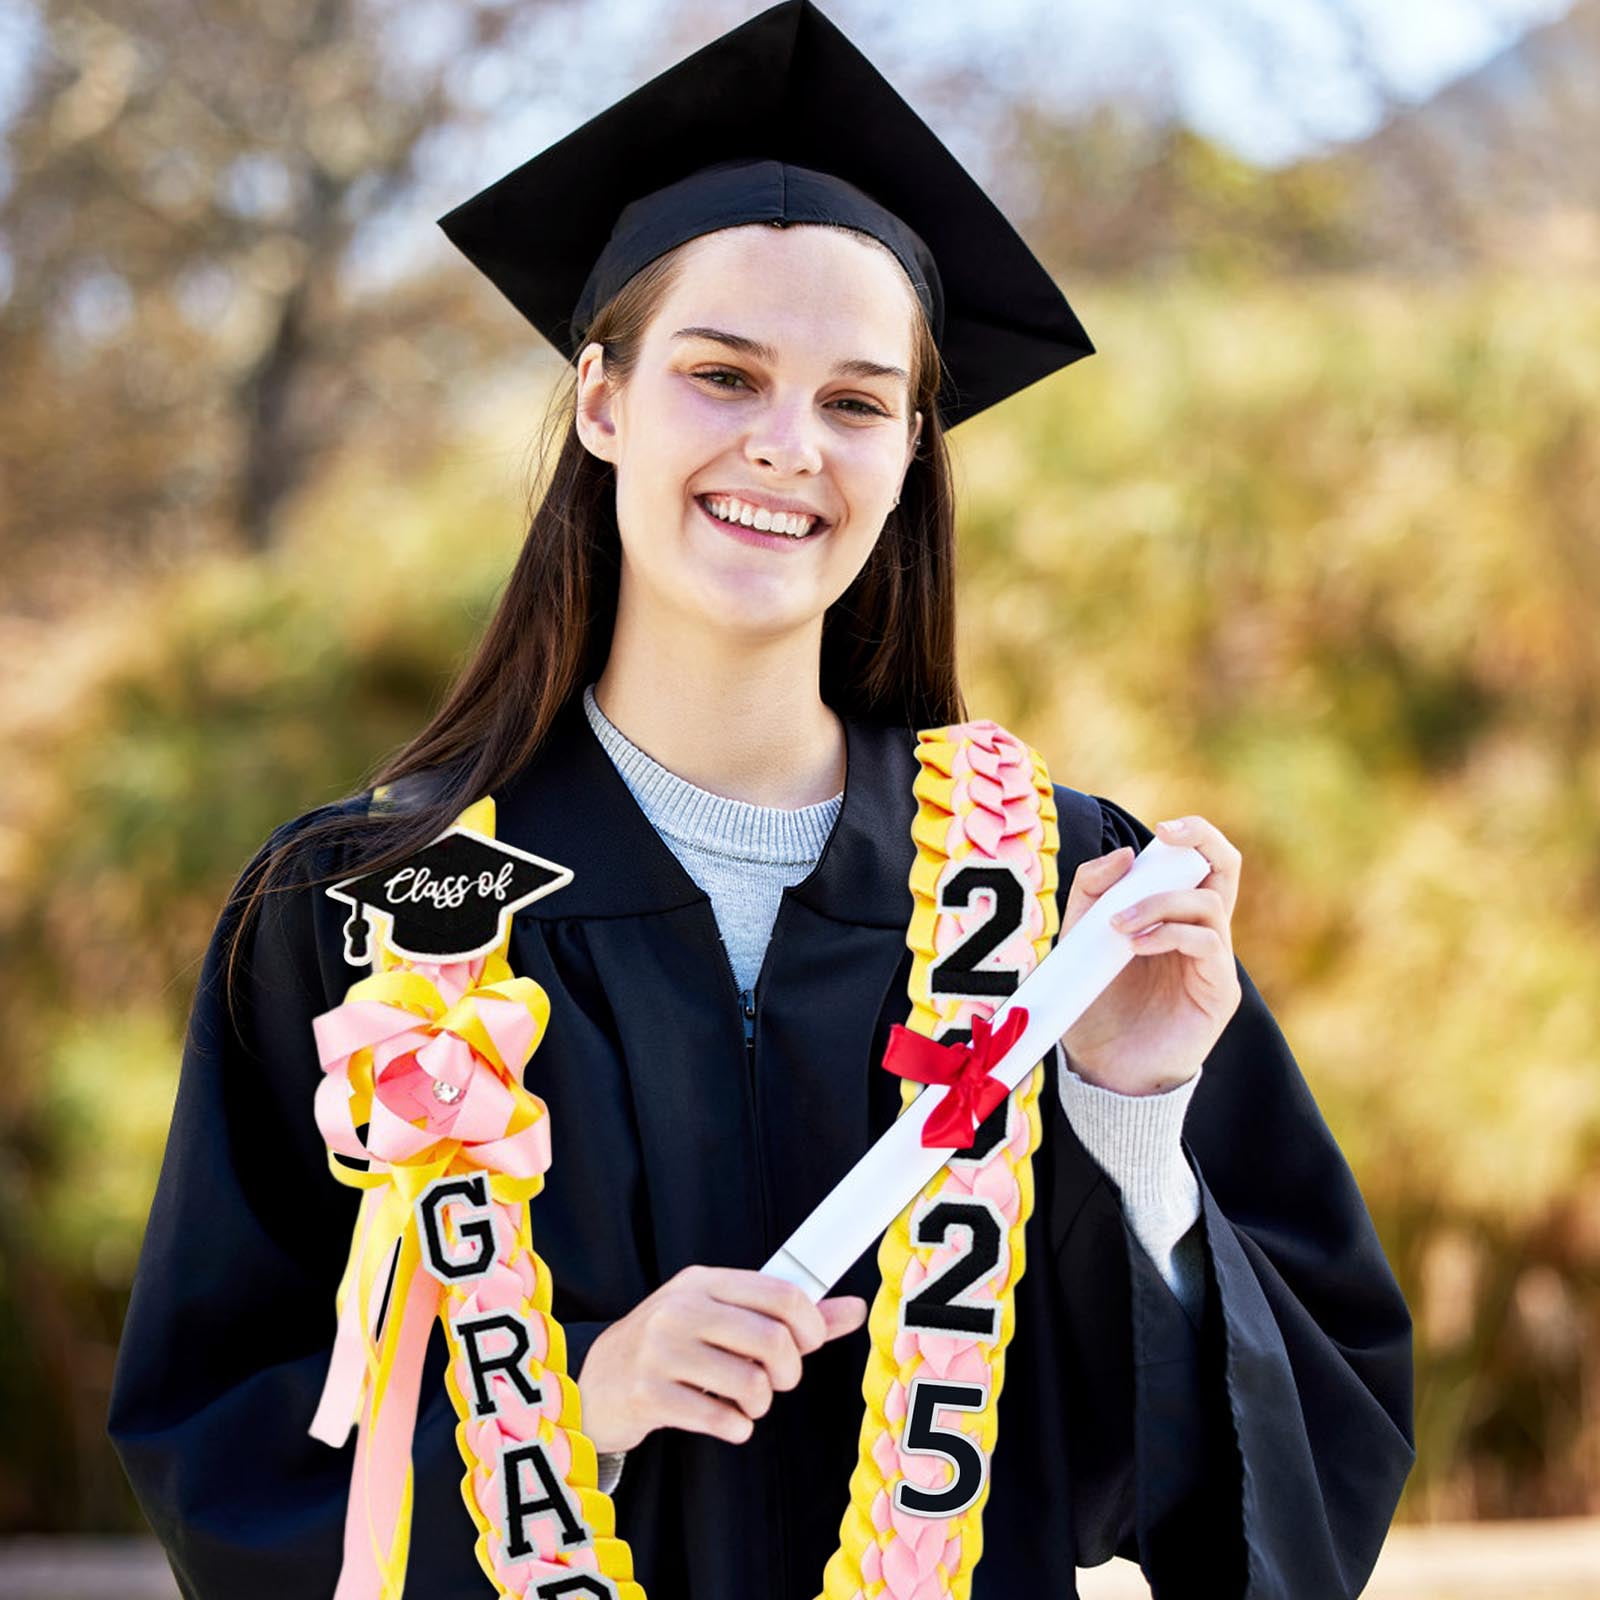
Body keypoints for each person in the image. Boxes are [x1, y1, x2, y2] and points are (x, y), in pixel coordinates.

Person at [106, 3, 1414, 1597]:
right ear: (602, 402)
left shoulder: (1064, 898)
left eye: (858, 401)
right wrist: (571, 1406)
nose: (787, 447)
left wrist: (1130, 1124)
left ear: (912, 446)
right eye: (723, 375)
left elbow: (1271, 1486)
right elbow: (218, 1427)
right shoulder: (368, 904)